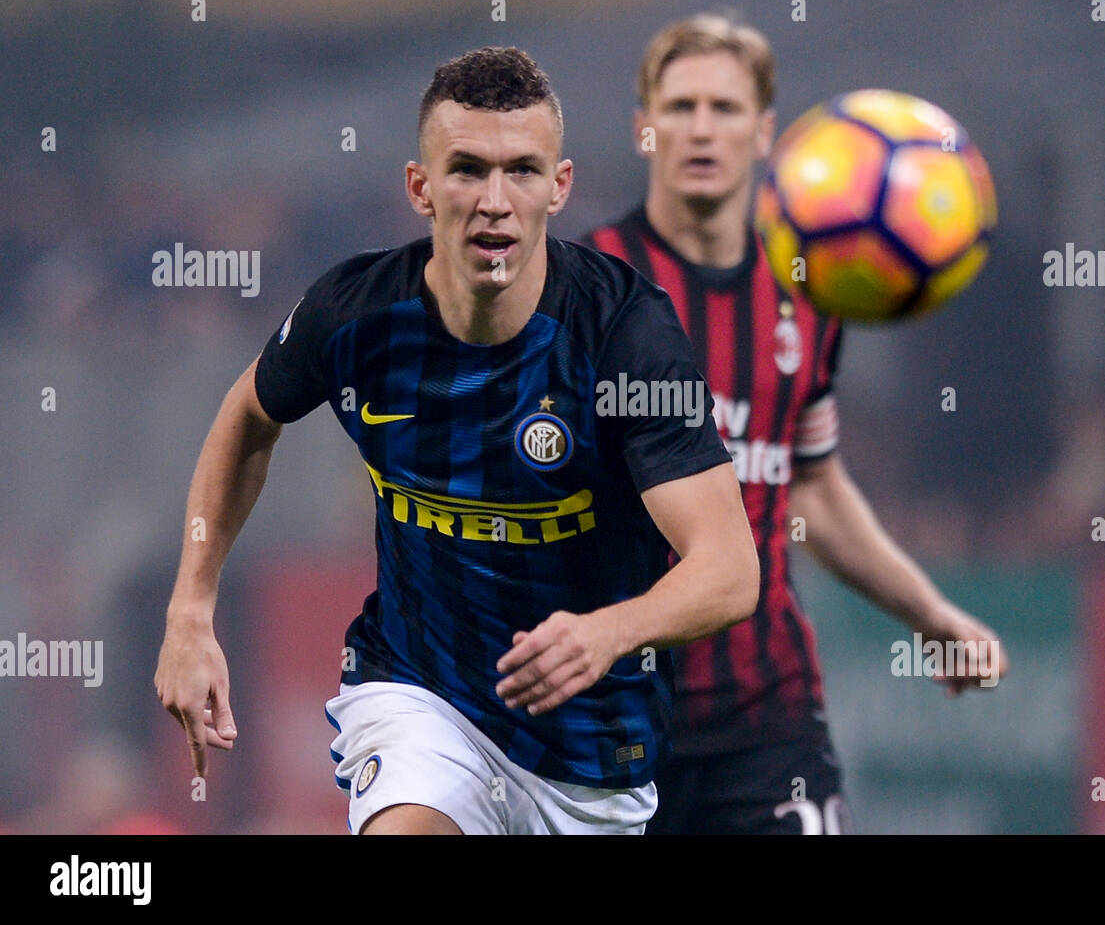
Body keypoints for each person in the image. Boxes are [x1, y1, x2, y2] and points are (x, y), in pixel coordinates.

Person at [154, 46, 759, 835]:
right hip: (418, 694)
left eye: (523, 171)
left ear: (560, 186)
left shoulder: (626, 337)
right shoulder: (356, 316)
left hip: (590, 752)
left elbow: (729, 568)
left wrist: (611, 630)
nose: (495, 201)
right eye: (468, 169)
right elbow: (247, 417)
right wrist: (191, 609)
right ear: (421, 187)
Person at [582, 14, 1009, 835]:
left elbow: (808, 478)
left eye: (724, 107)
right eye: (679, 107)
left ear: (766, 130)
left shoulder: (810, 287)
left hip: (766, 712)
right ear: (644, 128)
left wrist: (930, 612)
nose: (701, 128)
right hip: (607, 717)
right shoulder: (586, 284)